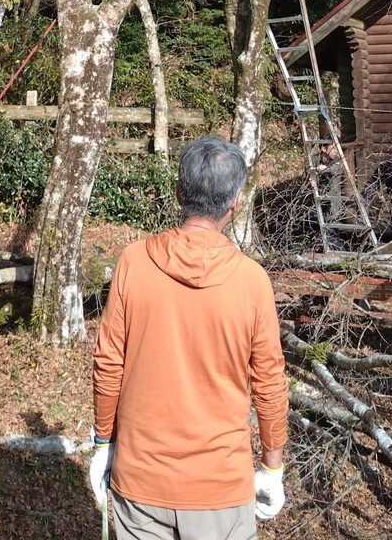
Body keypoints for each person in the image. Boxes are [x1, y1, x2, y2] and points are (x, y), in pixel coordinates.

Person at [91, 135, 288, 538]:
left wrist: (103, 441)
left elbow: (109, 361)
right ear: (234, 205)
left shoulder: (134, 261)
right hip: (221, 487)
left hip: (142, 479)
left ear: (179, 191)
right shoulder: (252, 281)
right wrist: (272, 465)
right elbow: (269, 381)